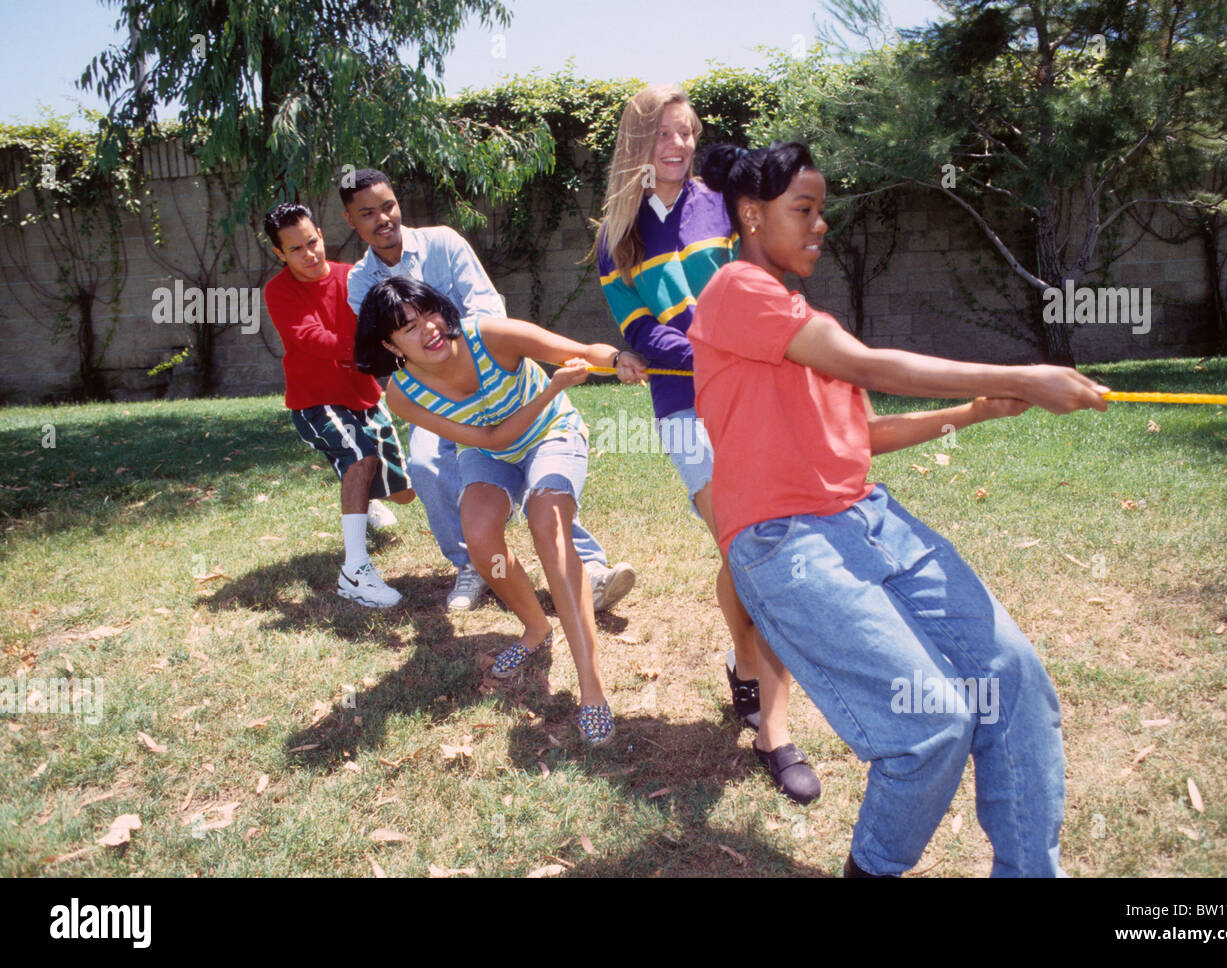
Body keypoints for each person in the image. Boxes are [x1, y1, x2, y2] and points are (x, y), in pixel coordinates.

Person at [690, 141, 1111, 876]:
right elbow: (870, 366)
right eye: (804, 210)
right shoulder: (735, 291)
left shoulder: (795, 316)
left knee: (1011, 677)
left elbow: (858, 437)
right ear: (752, 215)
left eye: (824, 211)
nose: (821, 226)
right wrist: (1028, 374)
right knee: (931, 725)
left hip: (865, 518)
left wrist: (977, 410)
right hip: (783, 544)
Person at [592, 85, 818, 803]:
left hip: (758, 394)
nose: (680, 145)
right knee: (743, 546)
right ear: (637, 141)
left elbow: (761, 277)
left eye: (688, 133)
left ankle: (769, 720)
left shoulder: (721, 204)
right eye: (664, 133)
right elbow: (640, 331)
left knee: (766, 550)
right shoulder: (613, 237)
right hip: (686, 403)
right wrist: (716, 349)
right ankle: (747, 669)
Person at [355, 275, 636, 745]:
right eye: (408, 327)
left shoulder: (489, 334)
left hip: (551, 432)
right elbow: (490, 439)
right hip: (491, 449)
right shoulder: (403, 395)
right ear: (389, 343)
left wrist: (617, 359)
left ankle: (591, 688)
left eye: (429, 313)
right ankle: (536, 626)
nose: (428, 329)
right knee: (482, 540)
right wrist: (550, 389)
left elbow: (578, 349)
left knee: (548, 526)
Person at [342, 168, 636, 613]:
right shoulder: (360, 283)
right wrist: (445, 385)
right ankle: (474, 563)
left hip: (490, 375)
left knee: (544, 488)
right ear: (351, 221)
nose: (383, 218)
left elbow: (485, 308)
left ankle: (588, 568)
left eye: (388, 205)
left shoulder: (443, 241)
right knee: (423, 463)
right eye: (368, 213)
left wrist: (469, 358)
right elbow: (389, 353)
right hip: (443, 394)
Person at [261, 202, 416, 608]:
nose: (309, 254)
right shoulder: (279, 291)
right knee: (360, 459)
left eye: (312, 242)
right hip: (316, 401)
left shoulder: (354, 278)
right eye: (296, 249)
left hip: (363, 395)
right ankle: (355, 571)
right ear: (280, 253)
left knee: (405, 492)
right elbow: (309, 338)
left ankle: (366, 502)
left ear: (321, 234)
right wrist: (370, 352)